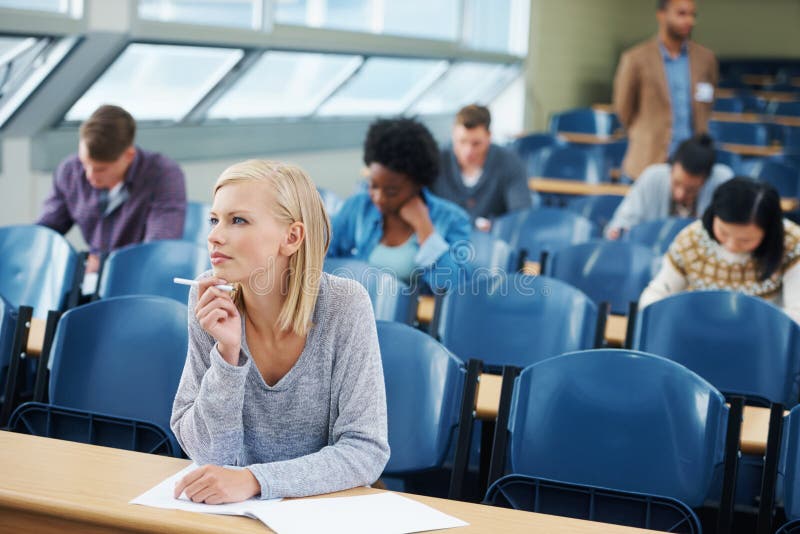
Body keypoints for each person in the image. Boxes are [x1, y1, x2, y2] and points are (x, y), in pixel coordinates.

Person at [171, 160, 389, 503]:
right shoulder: (207, 295)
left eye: (238, 220)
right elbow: (210, 455)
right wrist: (227, 357)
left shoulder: (345, 305)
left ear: (292, 237)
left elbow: (366, 450)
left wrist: (255, 480)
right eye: (214, 219)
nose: (214, 235)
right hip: (236, 515)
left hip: (327, 511)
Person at [37, 104, 186, 274]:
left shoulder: (163, 174)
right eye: (85, 164)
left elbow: (159, 247)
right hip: (91, 276)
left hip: (140, 275)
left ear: (129, 156)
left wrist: (105, 264)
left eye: (101, 169)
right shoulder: (70, 170)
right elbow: (46, 231)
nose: (89, 175)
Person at [329, 117, 471, 292]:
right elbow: (321, 257)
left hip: (414, 319)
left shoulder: (452, 219)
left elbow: (457, 290)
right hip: (359, 313)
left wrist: (424, 229)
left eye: (391, 191)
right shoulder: (358, 207)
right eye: (373, 185)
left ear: (418, 183)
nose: (379, 197)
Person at [640, 177, 800, 323]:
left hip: (766, 340)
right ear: (713, 215)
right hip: (698, 333)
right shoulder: (692, 239)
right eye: (723, 233)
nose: (731, 246)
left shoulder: (792, 243)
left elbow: (797, 313)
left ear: (769, 232)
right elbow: (657, 293)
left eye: (745, 240)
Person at [613, 0, 718, 179]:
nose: (689, 21)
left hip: (692, 164)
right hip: (647, 159)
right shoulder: (635, 58)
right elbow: (623, 110)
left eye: (693, 15)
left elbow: (707, 103)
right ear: (661, 15)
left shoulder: (706, 59)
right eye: (681, 14)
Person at [606, 134, 732, 239]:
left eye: (691, 190)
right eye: (676, 183)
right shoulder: (652, 177)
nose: (680, 194)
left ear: (706, 180)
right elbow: (624, 220)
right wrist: (618, 231)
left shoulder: (721, 183)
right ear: (670, 169)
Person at [431, 104, 531, 230]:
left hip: (492, 242)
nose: (468, 151)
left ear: (489, 136)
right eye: (462, 141)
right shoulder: (436, 161)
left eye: (476, 144)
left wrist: (496, 227)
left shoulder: (510, 162)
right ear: (453, 135)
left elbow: (520, 214)